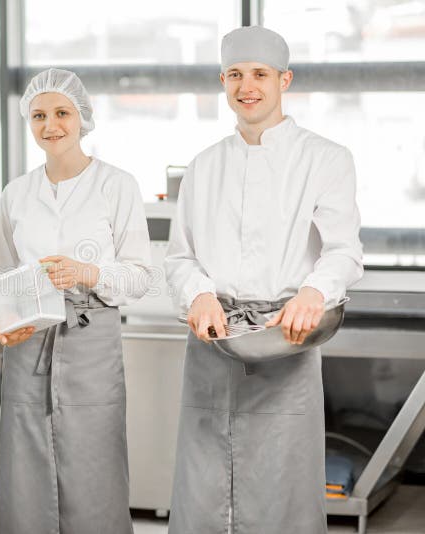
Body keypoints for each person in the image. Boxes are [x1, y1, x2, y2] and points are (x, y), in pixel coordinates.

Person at [165, 26, 363, 533]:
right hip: (212, 344)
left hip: (285, 340)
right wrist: (200, 295)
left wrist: (314, 291)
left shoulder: (325, 158)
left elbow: (343, 251)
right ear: (223, 81)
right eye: (235, 74)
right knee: (204, 486)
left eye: (259, 74)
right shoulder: (203, 167)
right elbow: (180, 258)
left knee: (282, 489)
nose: (246, 86)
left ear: (284, 80)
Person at [0, 68, 152, 534]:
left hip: (91, 338)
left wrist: (88, 272)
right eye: (38, 115)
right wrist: (2, 321)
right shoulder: (16, 193)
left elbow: (140, 276)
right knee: (25, 467)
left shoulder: (116, 185)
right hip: (29, 341)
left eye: (61, 112)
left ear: (82, 117)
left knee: (93, 461)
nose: (50, 124)